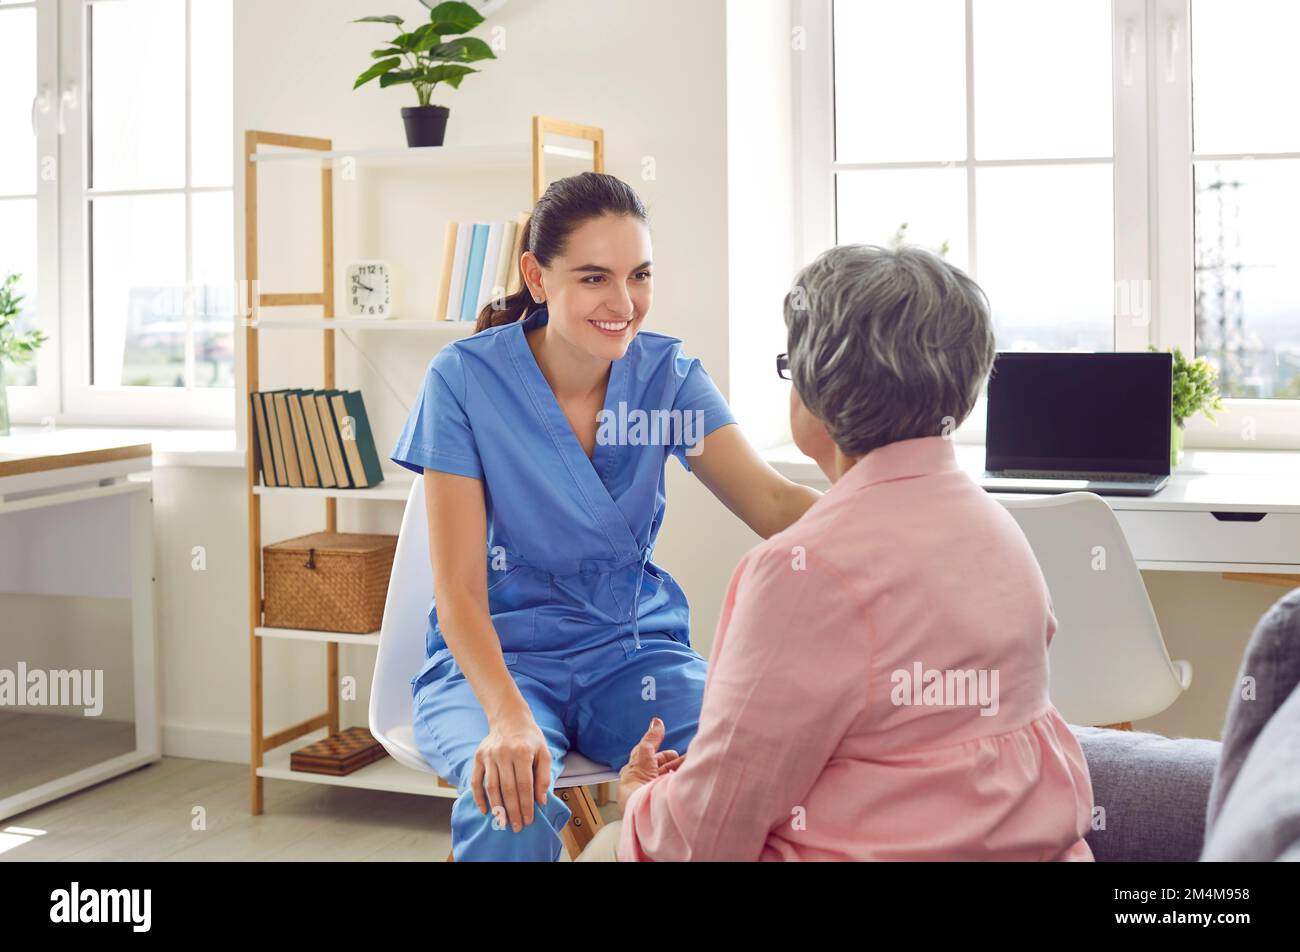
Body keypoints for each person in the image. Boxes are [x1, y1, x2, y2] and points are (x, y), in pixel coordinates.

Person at [580, 244, 1095, 861]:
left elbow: (705, 838)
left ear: (818, 391)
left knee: (611, 844)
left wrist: (639, 799)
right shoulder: (999, 531)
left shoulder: (803, 572)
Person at [390, 172, 821, 861]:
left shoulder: (668, 377)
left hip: (632, 656)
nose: (624, 303)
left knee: (755, 758)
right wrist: (507, 718)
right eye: (594, 278)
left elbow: (771, 503)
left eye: (639, 275)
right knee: (512, 801)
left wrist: (898, 522)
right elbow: (460, 592)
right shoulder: (463, 380)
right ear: (537, 275)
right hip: (500, 662)